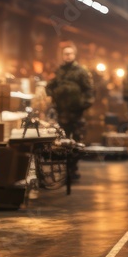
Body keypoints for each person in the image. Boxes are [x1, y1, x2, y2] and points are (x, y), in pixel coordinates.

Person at [47, 44, 94, 178]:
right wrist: (52, 95)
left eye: (70, 53)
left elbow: (89, 89)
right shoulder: (59, 71)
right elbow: (50, 85)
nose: (67, 56)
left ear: (74, 55)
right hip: (62, 112)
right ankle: (67, 167)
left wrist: (85, 104)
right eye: (65, 54)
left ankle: (73, 167)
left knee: (77, 140)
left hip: (76, 112)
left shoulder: (81, 71)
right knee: (63, 141)